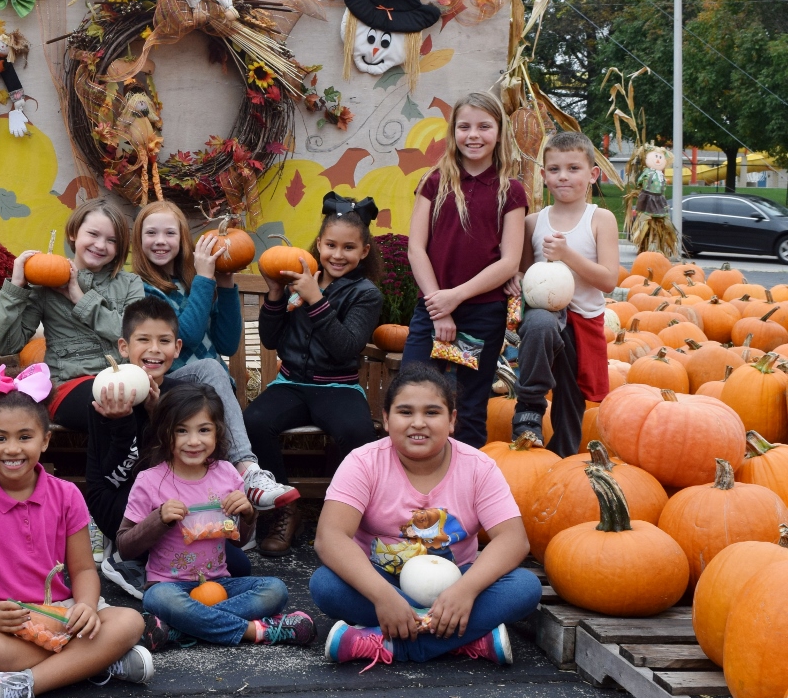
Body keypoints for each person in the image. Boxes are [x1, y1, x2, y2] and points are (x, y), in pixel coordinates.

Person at [0, 370, 151, 698]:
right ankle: (95, 663)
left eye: (25, 437)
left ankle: (21, 685)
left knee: (131, 621)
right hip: (3, 621)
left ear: (44, 440)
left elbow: (84, 569)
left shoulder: (67, 495)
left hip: (62, 614)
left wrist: (85, 606)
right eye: (0, 438)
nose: (13, 449)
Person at [310, 365, 542, 669]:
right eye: (405, 412)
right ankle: (466, 638)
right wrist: (383, 598)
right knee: (325, 584)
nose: (418, 423)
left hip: (457, 584)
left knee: (525, 587)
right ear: (386, 418)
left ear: (452, 420)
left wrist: (465, 591)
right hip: (382, 581)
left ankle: (392, 644)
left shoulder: (478, 467)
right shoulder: (363, 463)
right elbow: (330, 537)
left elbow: (513, 539)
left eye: (432, 413)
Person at [118, 384, 318, 652]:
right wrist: (158, 519)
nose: (193, 441)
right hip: (168, 586)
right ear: (165, 433)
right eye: (181, 430)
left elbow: (238, 541)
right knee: (159, 599)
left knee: (275, 589)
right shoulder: (150, 480)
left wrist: (248, 513)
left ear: (217, 432)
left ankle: (180, 628)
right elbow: (125, 546)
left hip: (219, 583)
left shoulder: (226, 474)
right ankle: (256, 631)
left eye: (203, 430)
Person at [242, 193, 385, 557]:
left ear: (364, 251)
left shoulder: (366, 294)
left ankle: (342, 515)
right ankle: (284, 507)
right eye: (331, 245)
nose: (338, 255)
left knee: (357, 433)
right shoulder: (298, 276)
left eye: (349, 247)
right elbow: (272, 339)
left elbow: (346, 346)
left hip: (338, 387)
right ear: (319, 244)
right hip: (291, 384)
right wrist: (275, 295)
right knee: (254, 421)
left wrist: (317, 299)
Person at [131, 201, 298, 509]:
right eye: (151, 232)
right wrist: (206, 279)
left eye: (170, 233)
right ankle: (248, 471)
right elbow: (186, 336)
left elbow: (227, 343)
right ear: (139, 241)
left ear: (182, 239)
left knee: (211, 368)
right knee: (209, 368)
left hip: (207, 388)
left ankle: (232, 511)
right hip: (165, 385)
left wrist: (225, 282)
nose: (160, 240)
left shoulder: (194, 282)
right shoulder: (141, 288)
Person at [85, 297, 254, 601]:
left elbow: (194, 462)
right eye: (143, 340)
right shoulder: (109, 397)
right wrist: (126, 425)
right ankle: (127, 559)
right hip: (118, 499)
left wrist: (156, 413)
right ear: (124, 347)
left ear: (176, 349)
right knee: (142, 526)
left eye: (163, 340)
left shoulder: (179, 396)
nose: (154, 349)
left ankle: (164, 563)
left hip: (176, 498)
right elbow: (113, 476)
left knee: (239, 566)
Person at [401, 91, 527, 448]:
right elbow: (416, 248)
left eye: (484, 126)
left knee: (470, 407)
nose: (474, 135)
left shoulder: (510, 191)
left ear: (499, 133)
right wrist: (438, 305)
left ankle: (467, 489)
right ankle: (412, 477)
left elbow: (508, 262)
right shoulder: (434, 183)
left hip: (481, 314)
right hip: (432, 309)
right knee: (414, 395)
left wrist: (455, 298)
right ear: (453, 132)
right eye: (465, 126)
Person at [0, 198, 144, 433]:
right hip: (69, 385)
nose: (101, 245)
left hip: (123, 379)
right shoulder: (46, 283)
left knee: (164, 406)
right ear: (74, 233)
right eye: (93, 234)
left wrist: (79, 298)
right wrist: (16, 288)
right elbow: (7, 345)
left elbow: (134, 337)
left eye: (111, 240)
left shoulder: (130, 284)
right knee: (105, 407)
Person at [507, 132, 616, 456]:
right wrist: (516, 279)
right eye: (554, 169)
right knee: (539, 323)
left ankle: (562, 456)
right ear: (543, 176)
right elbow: (526, 277)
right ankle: (528, 411)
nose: (563, 176)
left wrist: (568, 255)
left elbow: (609, 280)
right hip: (547, 315)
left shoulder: (600, 220)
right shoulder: (532, 223)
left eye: (573, 168)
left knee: (571, 395)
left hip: (583, 320)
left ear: (592, 174)